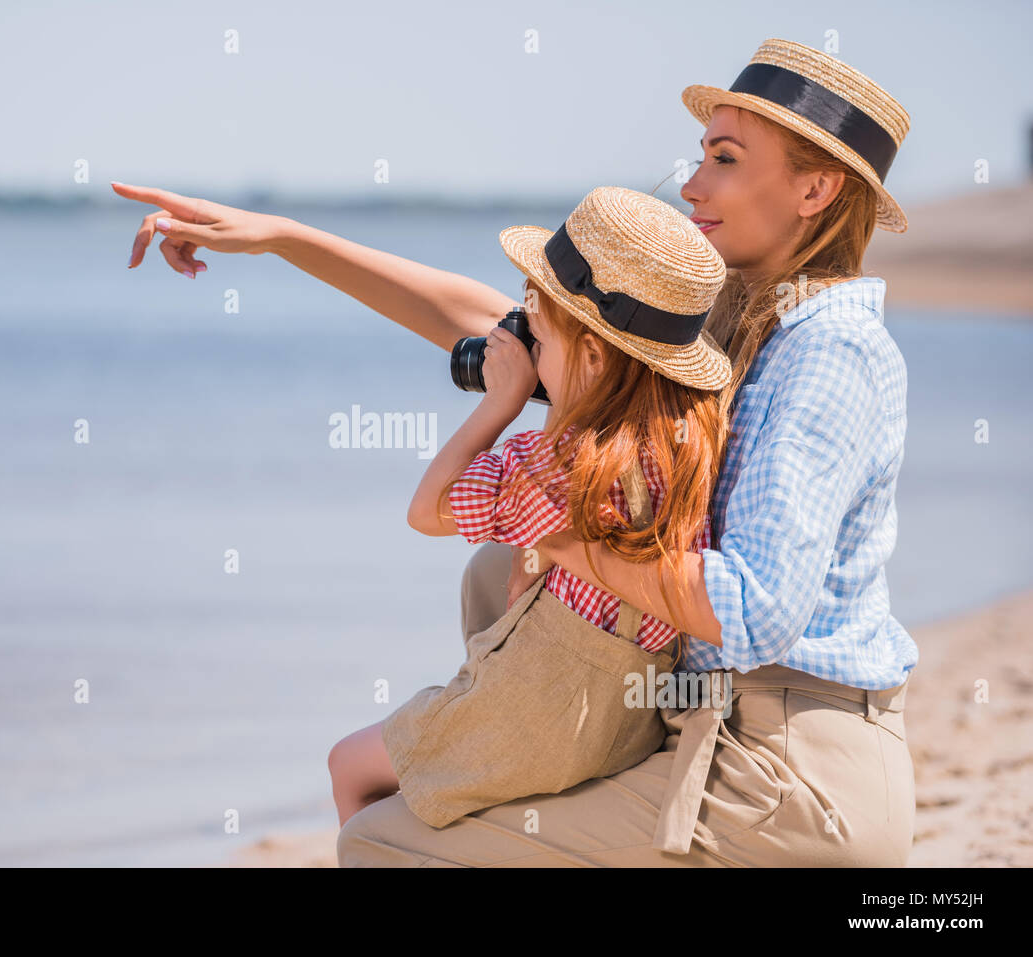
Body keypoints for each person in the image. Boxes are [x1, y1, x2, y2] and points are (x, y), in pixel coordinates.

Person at [113, 36, 919, 867]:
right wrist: (285, 239)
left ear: (816, 188)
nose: (691, 183)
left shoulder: (831, 353)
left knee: (381, 842)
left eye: (723, 158)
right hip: (702, 722)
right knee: (491, 572)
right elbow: (522, 325)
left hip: (786, 775)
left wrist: (558, 531)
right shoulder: (728, 324)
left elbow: (755, 613)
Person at [326, 187, 729, 828]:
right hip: (620, 727)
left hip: (531, 719)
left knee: (348, 763)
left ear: (594, 355)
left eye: (537, 341)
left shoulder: (550, 465)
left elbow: (426, 512)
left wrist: (500, 404)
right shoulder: (687, 445)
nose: (531, 359)